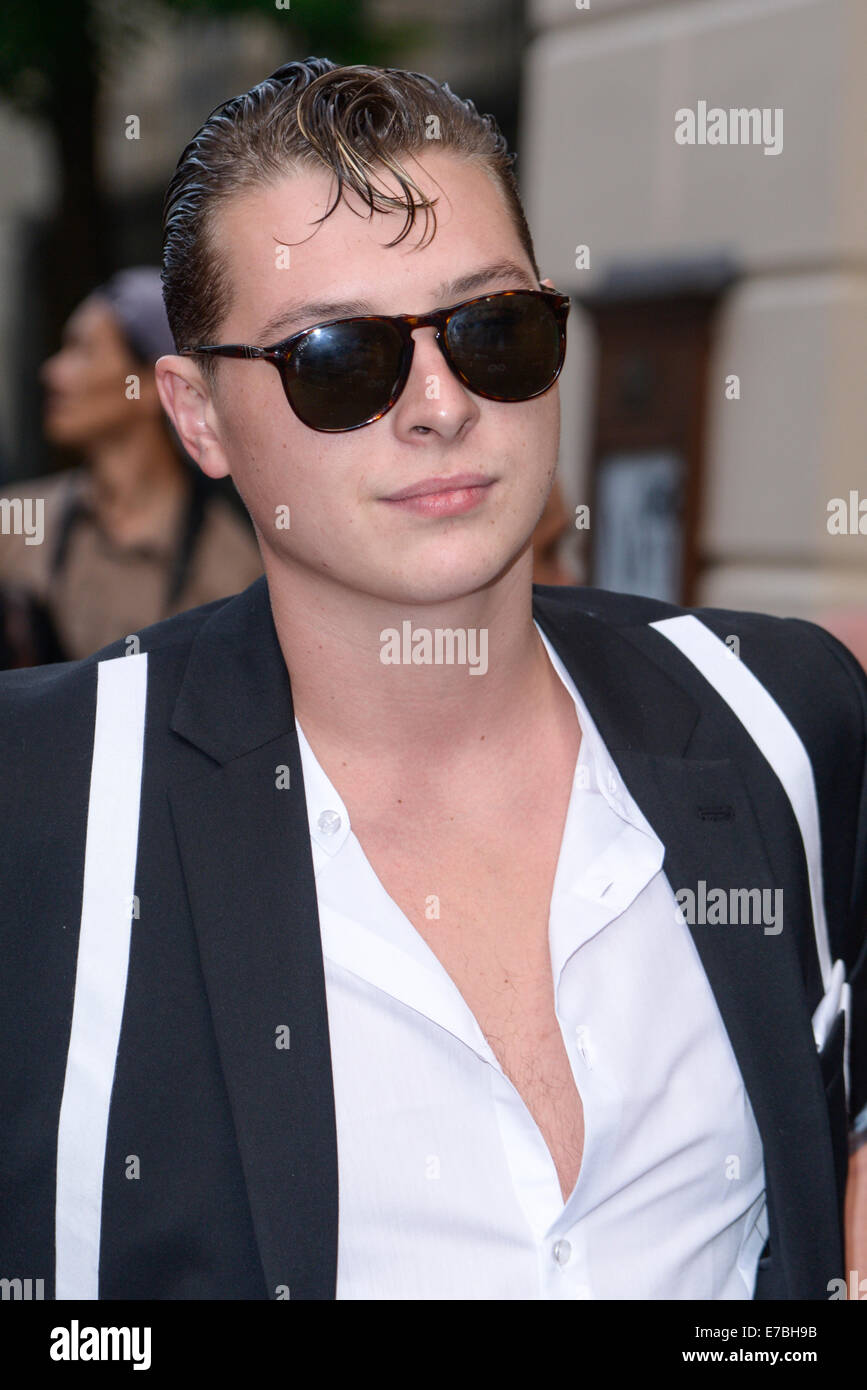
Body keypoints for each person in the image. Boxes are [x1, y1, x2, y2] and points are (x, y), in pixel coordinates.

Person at [0, 57, 864, 1302]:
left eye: (492, 330)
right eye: (341, 359)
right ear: (196, 416)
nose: (441, 404)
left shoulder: (777, 714)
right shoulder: (48, 801)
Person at [0, 267, 262, 661]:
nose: (52, 372)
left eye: (82, 351)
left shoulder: (229, 566)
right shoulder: (15, 523)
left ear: (153, 385)